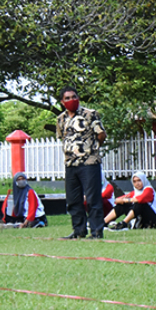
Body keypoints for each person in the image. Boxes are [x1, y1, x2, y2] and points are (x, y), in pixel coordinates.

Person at [56, 87, 106, 240]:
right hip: (71, 164)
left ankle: (96, 231)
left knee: (92, 198)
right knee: (73, 199)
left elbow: (101, 134)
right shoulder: (60, 119)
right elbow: (61, 137)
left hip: (89, 162)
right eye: (68, 98)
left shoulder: (90, 114)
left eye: (74, 96)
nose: (72, 100)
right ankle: (79, 230)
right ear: (62, 102)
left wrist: (92, 148)